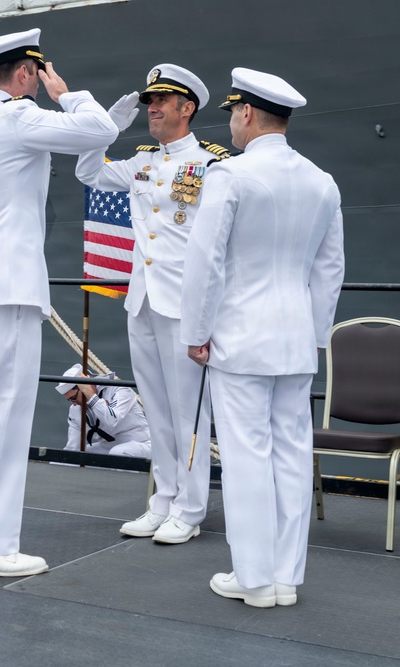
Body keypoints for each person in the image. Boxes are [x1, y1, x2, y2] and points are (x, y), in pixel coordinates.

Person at [0, 28, 118, 577]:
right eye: (37, 77)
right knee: (3, 418)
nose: (40, 86)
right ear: (24, 74)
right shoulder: (16, 118)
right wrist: (68, 94)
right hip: (6, 291)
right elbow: (100, 128)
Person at [180, 68, 345, 608]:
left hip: (240, 338)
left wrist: (197, 333)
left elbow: (205, 263)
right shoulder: (322, 181)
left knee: (248, 455)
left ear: (247, 113)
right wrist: (315, 334)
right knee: (293, 456)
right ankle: (285, 578)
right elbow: (329, 269)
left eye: (231, 112)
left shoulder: (231, 176)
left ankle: (252, 578)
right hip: (295, 341)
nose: (230, 122)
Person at [75, 64, 229, 545]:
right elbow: (88, 173)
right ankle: (162, 501)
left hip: (185, 306)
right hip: (141, 302)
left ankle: (190, 507)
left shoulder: (213, 165)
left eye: (162, 101)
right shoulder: (141, 162)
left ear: (188, 108)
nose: (152, 108)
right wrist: (108, 128)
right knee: (157, 409)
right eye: (148, 101)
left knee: (189, 414)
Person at [56, 364, 152, 458]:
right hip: (108, 448)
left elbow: (112, 420)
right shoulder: (75, 411)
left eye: (73, 398)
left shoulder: (120, 390)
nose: (74, 403)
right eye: (69, 400)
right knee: (77, 457)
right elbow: (73, 449)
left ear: (85, 386)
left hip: (141, 443)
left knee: (118, 453)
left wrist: (90, 395)